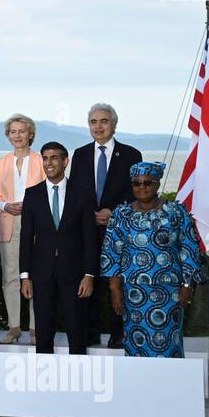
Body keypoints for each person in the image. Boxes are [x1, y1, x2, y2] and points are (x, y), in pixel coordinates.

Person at [100, 162, 205, 358]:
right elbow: (112, 253)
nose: (142, 187)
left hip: (170, 292)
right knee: (135, 342)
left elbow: (189, 250)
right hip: (133, 293)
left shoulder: (176, 212)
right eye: (137, 182)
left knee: (169, 341)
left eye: (148, 182)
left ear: (157, 184)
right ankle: (139, 385)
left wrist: (187, 285)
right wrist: (114, 289)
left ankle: (170, 385)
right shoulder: (121, 215)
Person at [69, 103, 142, 348]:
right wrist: (89, 213)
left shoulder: (131, 155)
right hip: (87, 229)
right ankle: (90, 331)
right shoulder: (79, 154)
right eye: (93, 122)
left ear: (114, 124)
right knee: (88, 279)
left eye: (103, 121)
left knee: (116, 282)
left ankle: (118, 333)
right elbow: (75, 192)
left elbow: (137, 192)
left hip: (119, 229)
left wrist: (116, 212)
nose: (98, 126)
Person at [18, 142, 97, 354]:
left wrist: (89, 275)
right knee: (43, 332)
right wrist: (25, 276)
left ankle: (80, 379)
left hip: (75, 274)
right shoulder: (32, 194)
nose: (49, 163)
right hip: (41, 274)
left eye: (54, 158)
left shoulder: (83, 194)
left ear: (65, 161)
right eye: (45, 158)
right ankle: (43, 380)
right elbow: (26, 239)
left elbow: (90, 238)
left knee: (76, 330)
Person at [0, 113, 45, 344]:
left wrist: (32, 206)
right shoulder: (2, 163)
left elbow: (50, 189)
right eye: (13, 131)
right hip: (8, 222)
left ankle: (35, 327)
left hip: (38, 224)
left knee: (37, 275)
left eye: (22, 131)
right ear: (8, 135)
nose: (17, 135)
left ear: (30, 134)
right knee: (10, 276)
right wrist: (4, 205)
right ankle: (14, 326)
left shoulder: (42, 160)